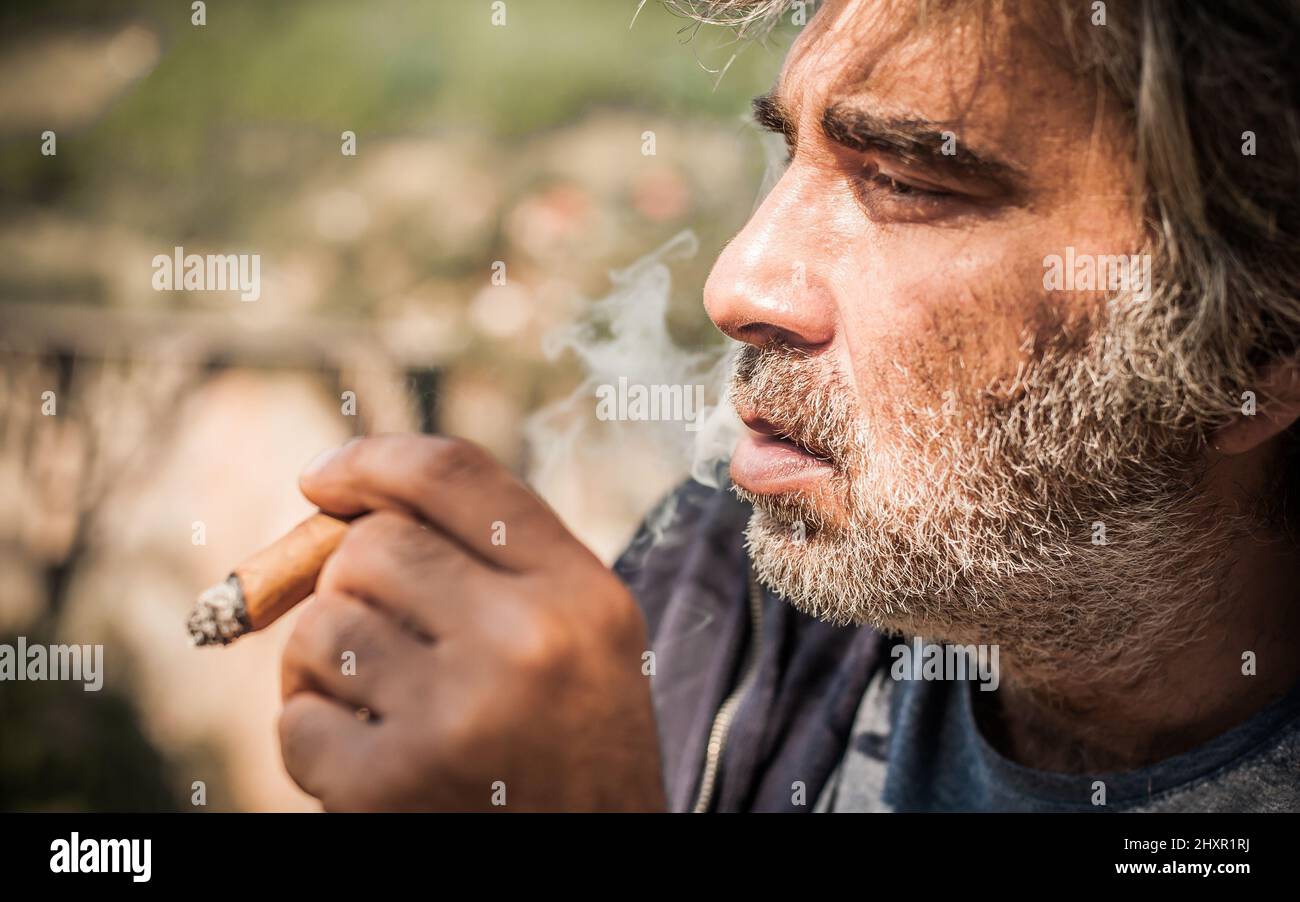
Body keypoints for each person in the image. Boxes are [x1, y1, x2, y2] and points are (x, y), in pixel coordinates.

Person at [276, 0, 1300, 811]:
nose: (737, 284)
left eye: (904, 181)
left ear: (1259, 346)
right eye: (789, 155)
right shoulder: (710, 599)